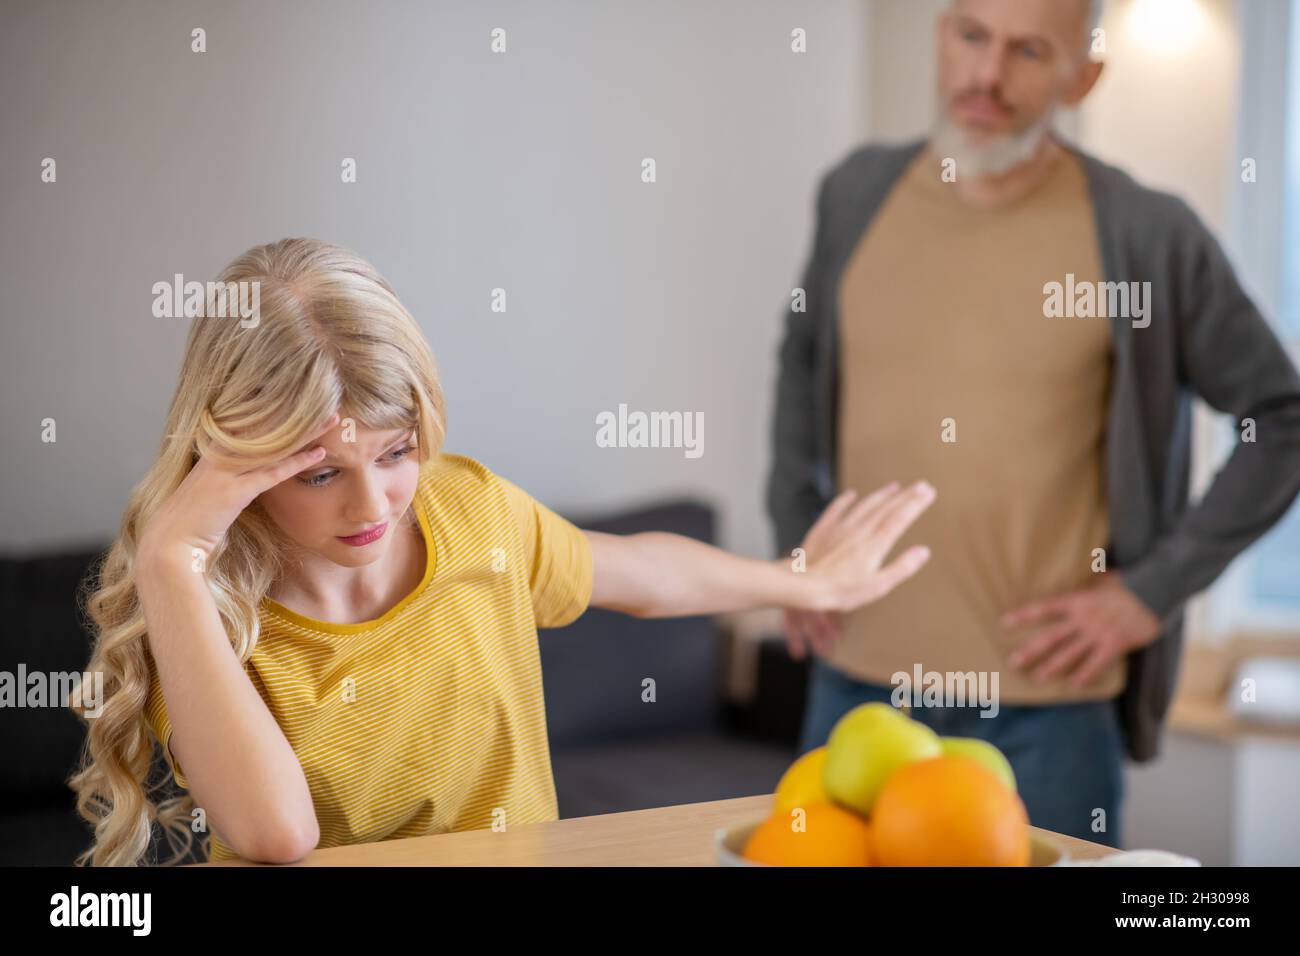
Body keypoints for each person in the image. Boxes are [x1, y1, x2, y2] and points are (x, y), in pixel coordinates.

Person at [67, 237, 936, 866]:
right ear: (234, 463)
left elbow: (643, 573)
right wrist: (170, 558)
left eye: (396, 453)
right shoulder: (203, 605)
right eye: (321, 473)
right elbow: (277, 835)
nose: (374, 506)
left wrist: (803, 580)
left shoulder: (473, 512)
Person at [768, 0, 1300, 846]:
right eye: (971, 35)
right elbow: (803, 357)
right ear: (941, 35)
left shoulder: (1146, 232)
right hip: (855, 689)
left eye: (1027, 51)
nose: (985, 75)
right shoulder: (855, 192)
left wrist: (1150, 593)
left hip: (1046, 718)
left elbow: (1284, 418)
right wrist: (794, 531)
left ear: (1081, 76)